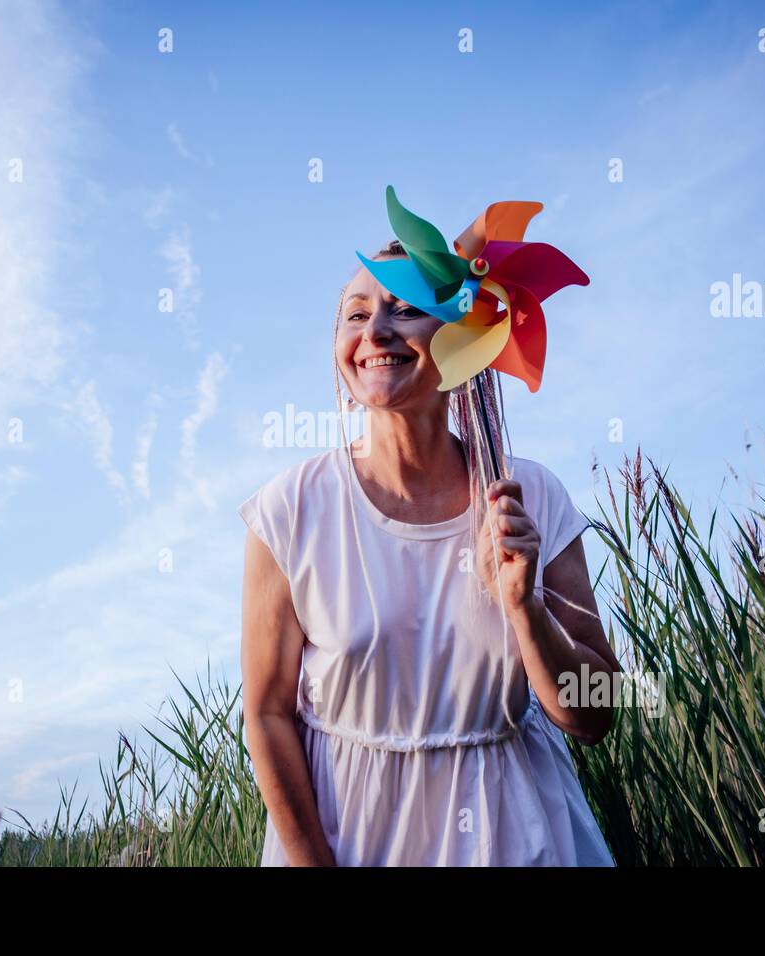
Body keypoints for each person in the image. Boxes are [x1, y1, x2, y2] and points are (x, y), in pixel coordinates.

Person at [237, 239, 621, 866]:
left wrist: (526, 609)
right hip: (352, 839)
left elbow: (595, 716)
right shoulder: (289, 512)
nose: (376, 330)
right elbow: (268, 715)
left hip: (513, 833)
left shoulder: (534, 497)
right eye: (357, 314)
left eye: (404, 308)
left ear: (462, 336)